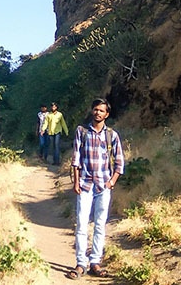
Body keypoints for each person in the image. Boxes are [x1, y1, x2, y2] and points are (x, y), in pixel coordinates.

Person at [68, 98, 124, 280]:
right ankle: (80, 263)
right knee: (82, 224)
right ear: (92, 111)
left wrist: (112, 182)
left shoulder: (112, 135)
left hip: (103, 186)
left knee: (100, 224)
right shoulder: (81, 132)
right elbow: (76, 159)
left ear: (106, 114)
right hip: (85, 184)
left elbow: (119, 161)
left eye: (102, 110)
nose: (98, 113)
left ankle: (95, 262)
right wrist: (76, 182)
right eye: (96, 110)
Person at [42, 102, 69, 166]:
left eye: (54, 107)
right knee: (53, 146)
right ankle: (55, 160)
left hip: (58, 132)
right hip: (51, 132)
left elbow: (63, 123)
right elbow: (45, 123)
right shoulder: (48, 115)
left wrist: (66, 131)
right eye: (52, 107)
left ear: (56, 107)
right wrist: (43, 130)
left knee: (56, 145)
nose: (53, 108)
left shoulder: (60, 115)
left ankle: (57, 161)